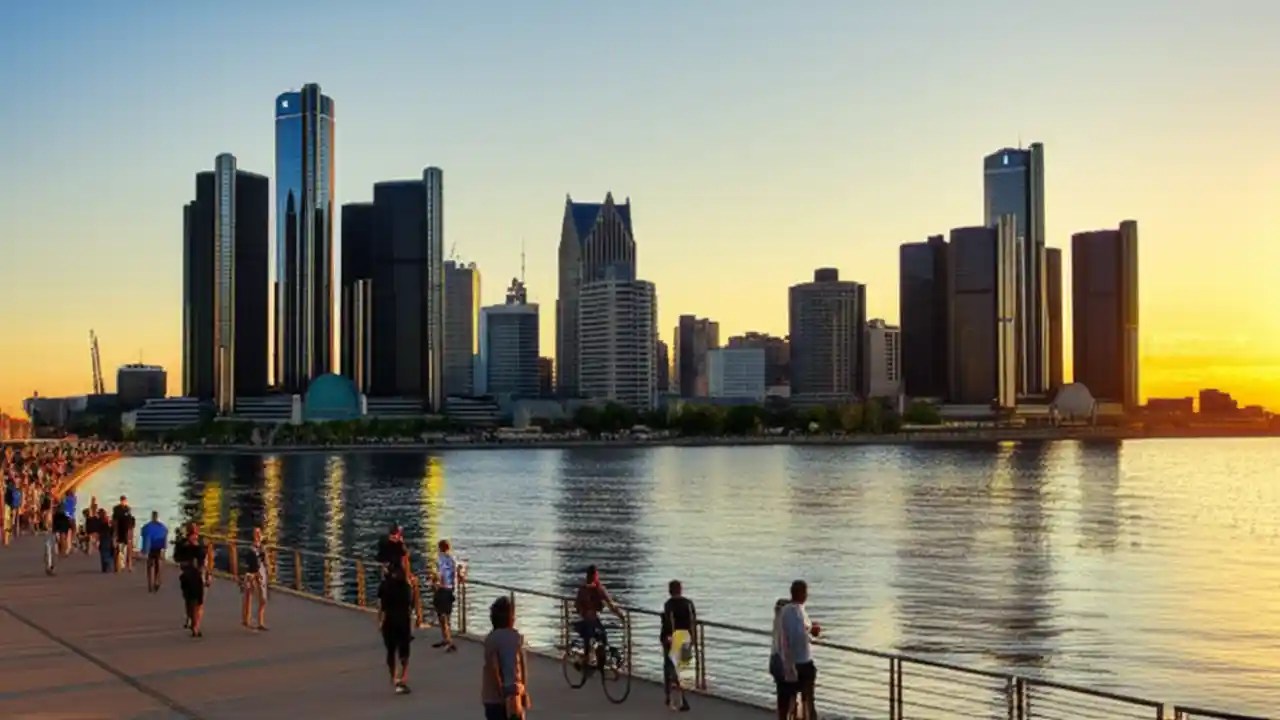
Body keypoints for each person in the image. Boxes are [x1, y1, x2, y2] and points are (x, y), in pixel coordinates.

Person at [776, 580, 822, 720]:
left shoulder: (785, 611)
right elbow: (801, 633)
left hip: (787, 662)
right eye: (806, 592)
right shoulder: (799, 611)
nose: (807, 595)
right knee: (808, 699)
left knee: (787, 699)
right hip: (802, 663)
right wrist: (813, 630)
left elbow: (792, 631)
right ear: (801, 594)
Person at [482, 595, 531, 720]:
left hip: (493, 697)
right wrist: (524, 690)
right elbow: (522, 666)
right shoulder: (516, 637)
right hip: (516, 693)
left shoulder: (491, 639)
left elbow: (494, 667)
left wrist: (500, 691)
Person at [574, 565, 624, 671]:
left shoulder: (599, 589)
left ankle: (598, 658)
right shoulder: (584, 590)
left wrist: (620, 615)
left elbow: (611, 604)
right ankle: (585, 658)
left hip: (594, 619)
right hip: (586, 620)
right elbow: (577, 605)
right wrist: (585, 612)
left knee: (602, 637)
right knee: (590, 635)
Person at [377, 560, 414, 694]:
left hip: (389, 620)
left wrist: (379, 621)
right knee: (404, 649)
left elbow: (381, 606)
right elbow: (410, 605)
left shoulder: (385, 586)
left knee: (390, 650)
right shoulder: (406, 587)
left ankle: (393, 676)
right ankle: (404, 675)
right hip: (403, 620)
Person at [660, 579, 697, 712]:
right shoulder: (689, 603)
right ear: (680, 589)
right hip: (686, 637)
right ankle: (683, 697)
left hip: (673, 638)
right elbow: (693, 621)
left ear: (670, 591)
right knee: (684, 668)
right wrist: (693, 639)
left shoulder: (669, 604)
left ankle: (670, 696)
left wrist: (668, 637)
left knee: (669, 667)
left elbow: (669, 622)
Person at [173, 523, 207, 638]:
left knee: (191, 600)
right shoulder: (196, 543)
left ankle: (193, 622)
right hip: (194, 574)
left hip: (188, 574)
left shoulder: (183, 543)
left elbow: (176, 558)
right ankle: (195, 625)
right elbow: (203, 558)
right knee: (197, 602)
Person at [432, 539, 461, 652]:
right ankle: (446, 638)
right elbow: (457, 572)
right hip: (450, 590)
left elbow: (439, 574)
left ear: (440, 548)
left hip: (442, 589)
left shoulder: (440, 559)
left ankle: (448, 641)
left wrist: (435, 583)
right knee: (447, 616)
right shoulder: (453, 559)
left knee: (441, 615)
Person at [240, 527, 269, 631]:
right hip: (251, 573)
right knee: (249, 596)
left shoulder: (262, 547)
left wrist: (266, 570)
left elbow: (265, 561)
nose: (257, 536)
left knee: (263, 598)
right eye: (255, 534)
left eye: (259, 533)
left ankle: (260, 621)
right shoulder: (250, 549)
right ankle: (246, 619)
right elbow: (247, 563)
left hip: (260, 571)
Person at [139, 512, 168, 593]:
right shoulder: (162, 527)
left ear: (152, 517)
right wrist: (164, 548)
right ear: (157, 517)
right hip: (158, 547)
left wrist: (143, 549)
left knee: (150, 565)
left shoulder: (147, 526)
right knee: (157, 565)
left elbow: (143, 534)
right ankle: (156, 581)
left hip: (150, 547)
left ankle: (150, 583)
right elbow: (165, 535)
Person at [111, 495, 136, 572]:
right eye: (122, 500)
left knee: (128, 548)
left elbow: (131, 521)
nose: (123, 502)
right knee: (117, 549)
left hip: (126, 531)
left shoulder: (128, 509)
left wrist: (131, 531)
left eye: (124, 500)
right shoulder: (117, 509)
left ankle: (129, 565)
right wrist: (114, 532)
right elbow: (114, 521)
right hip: (119, 531)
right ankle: (117, 566)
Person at [94, 509, 114, 573]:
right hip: (108, 538)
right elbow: (112, 529)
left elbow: (97, 532)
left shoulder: (98, 521)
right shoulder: (107, 521)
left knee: (103, 552)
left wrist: (96, 540)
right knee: (108, 552)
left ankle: (105, 567)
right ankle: (108, 566)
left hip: (103, 538)